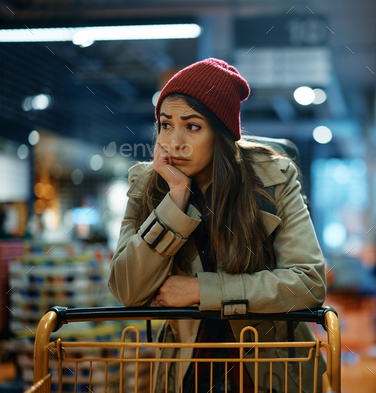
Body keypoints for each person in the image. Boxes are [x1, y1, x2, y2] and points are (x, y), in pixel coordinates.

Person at [108, 58, 327, 393]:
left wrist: (201, 290)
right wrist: (176, 199)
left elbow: (309, 282)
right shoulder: (147, 185)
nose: (175, 141)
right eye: (166, 125)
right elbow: (127, 288)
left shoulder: (272, 179)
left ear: (220, 133)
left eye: (192, 126)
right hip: (186, 370)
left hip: (268, 368)